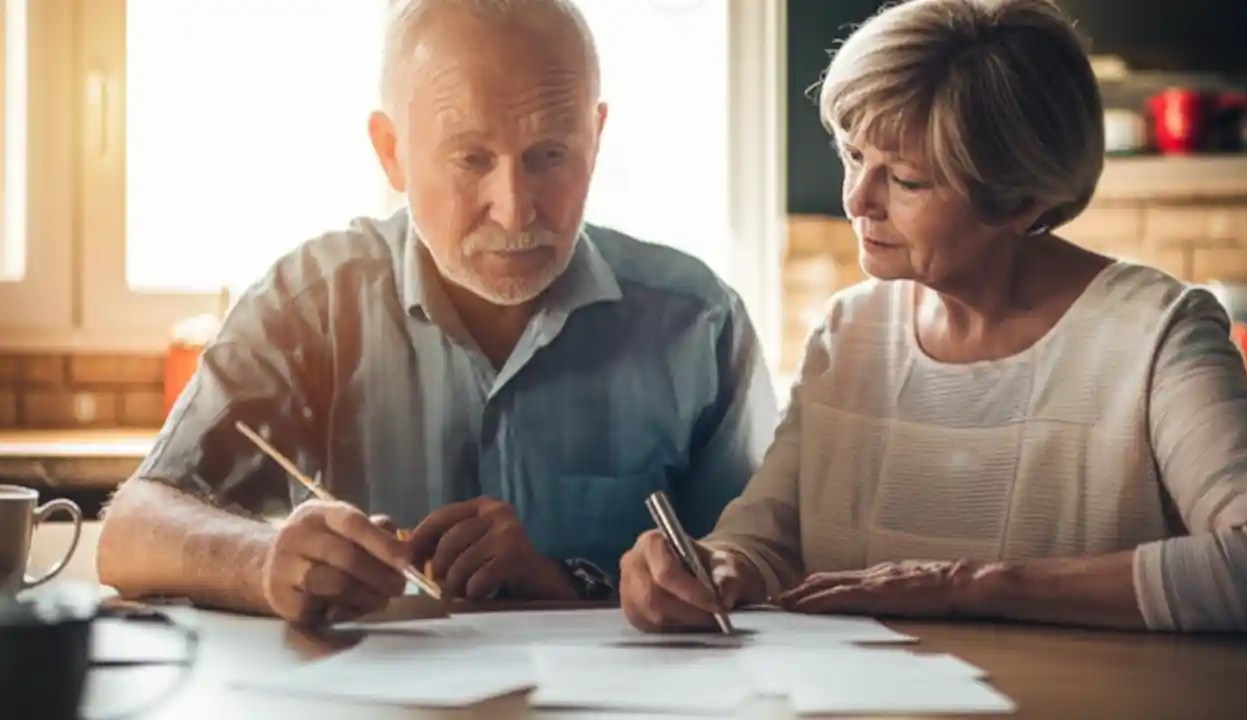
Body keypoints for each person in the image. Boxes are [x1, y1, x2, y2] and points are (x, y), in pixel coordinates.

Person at [97, 0, 778, 625]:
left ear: (595, 137)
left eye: (550, 155)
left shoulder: (700, 324)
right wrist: (263, 561)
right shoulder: (311, 303)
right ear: (391, 152)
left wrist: (564, 583)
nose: (514, 208)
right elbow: (130, 530)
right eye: (470, 158)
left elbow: (758, 572)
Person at [620, 0, 1247, 633]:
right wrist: (711, 566)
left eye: (906, 181)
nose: (857, 200)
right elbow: (765, 540)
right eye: (854, 155)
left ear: (1020, 200)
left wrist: (972, 586)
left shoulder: (1155, 336)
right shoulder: (850, 331)